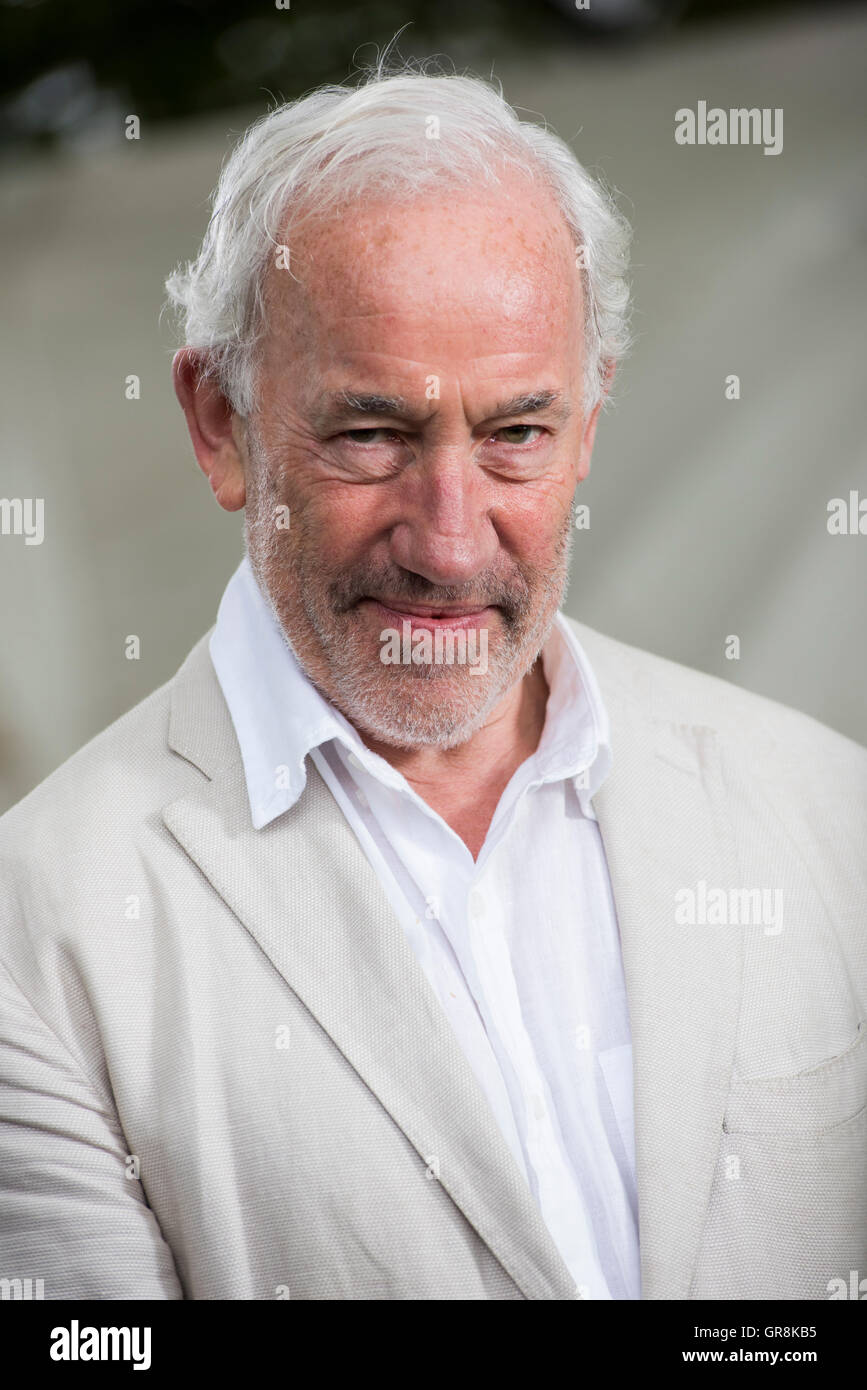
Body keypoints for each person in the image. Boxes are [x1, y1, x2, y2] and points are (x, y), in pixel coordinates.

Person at [1, 62, 865, 1302]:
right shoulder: (35, 936)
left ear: (591, 422)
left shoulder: (827, 807)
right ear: (219, 425)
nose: (451, 541)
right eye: (371, 435)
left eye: (517, 432)